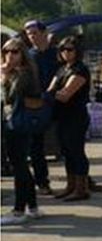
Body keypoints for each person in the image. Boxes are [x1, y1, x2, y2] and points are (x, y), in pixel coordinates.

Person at [2, 38, 43, 224]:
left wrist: (4, 76)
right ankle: (32, 207)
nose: (10, 55)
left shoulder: (23, 73)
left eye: (14, 52)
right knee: (21, 165)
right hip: (15, 121)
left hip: (19, 122)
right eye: (6, 51)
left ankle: (19, 210)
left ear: (22, 54)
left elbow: (11, 97)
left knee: (19, 165)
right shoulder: (18, 72)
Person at [48, 36, 92, 201]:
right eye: (62, 49)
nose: (65, 52)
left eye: (69, 49)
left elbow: (65, 94)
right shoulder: (62, 69)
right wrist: (50, 94)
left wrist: (49, 95)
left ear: (77, 51)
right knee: (66, 152)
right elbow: (52, 90)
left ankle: (82, 189)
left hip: (76, 117)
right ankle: (71, 185)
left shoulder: (80, 70)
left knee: (76, 152)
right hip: (62, 116)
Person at [23, 20, 57, 195]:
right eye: (29, 34)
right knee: (36, 146)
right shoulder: (28, 56)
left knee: (69, 143)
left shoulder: (56, 54)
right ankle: (42, 182)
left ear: (44, 33)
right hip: (37, 104)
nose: (32, 36)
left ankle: (80, 180)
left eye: (35, 32)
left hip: (59, 103)